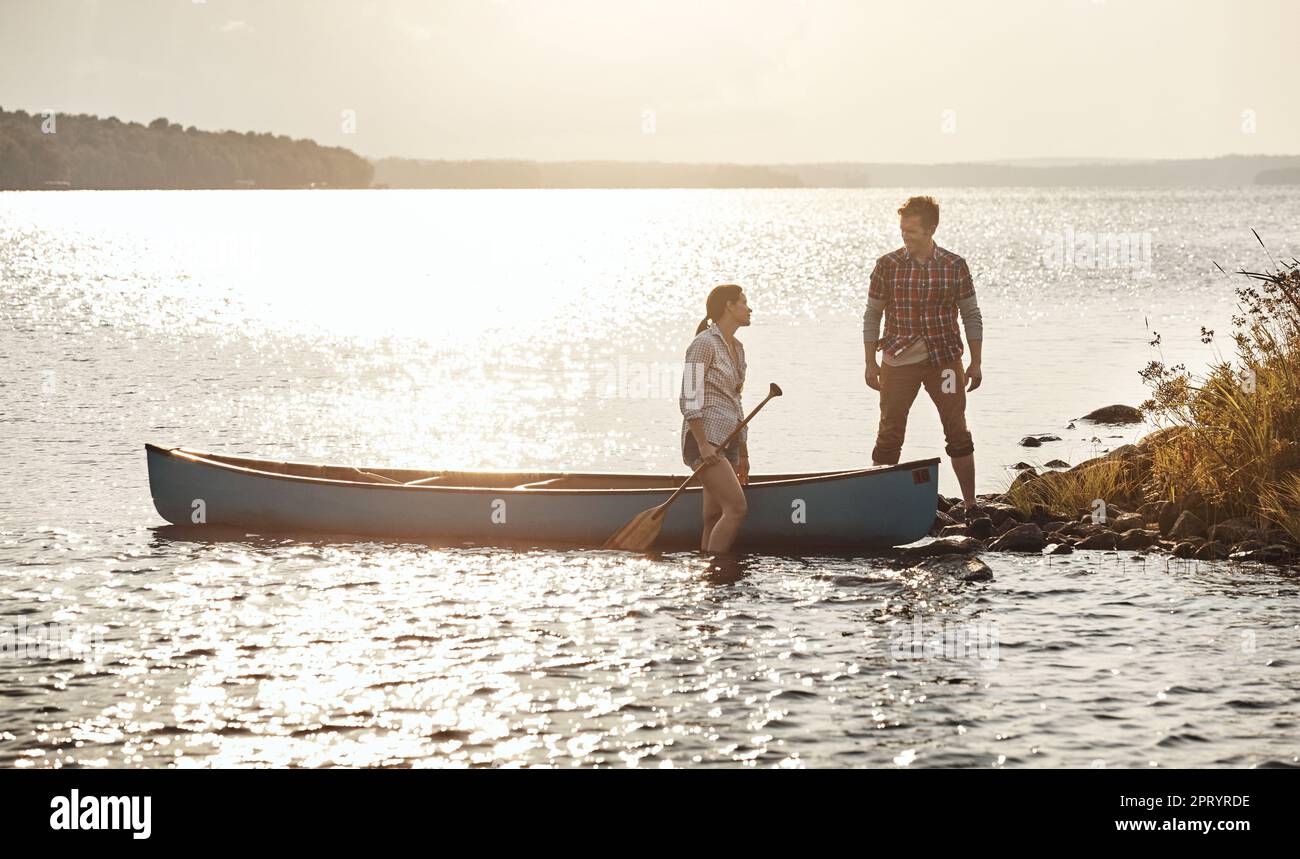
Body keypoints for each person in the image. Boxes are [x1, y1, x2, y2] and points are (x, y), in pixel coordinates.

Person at [863, 196, 983, 509]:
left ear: (930, 229)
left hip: (944, 362)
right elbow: (872, 315)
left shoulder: (954, 265)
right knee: (890, 432)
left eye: (912, 230)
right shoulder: (887, 265)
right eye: (903, 230)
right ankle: (879, 503)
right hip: (897, 361)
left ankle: (970, 504)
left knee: (956, 428)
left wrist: (976, 362)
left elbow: (971, 314)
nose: (905, 235)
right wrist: (869, 363)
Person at [680, 284, 752, 552]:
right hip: (706, 443)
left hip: (729, 442)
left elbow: (736, 402)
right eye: (744, 302)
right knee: (736, 508)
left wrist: (743, 452)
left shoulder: (738, 349)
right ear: (729, 306)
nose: (749, 308)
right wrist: (702, 444)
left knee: (712, 515)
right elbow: (689, 397)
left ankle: (707, 578)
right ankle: (718, 570)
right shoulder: (703, 344)